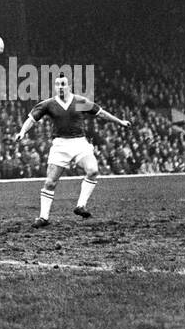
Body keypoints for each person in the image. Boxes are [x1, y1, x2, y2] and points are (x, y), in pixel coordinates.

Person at [15, 75, 131, 226]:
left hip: (79, 143)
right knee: (50, 183)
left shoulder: (79, 102)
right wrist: (22, 132)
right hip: (60, 145)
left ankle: (80, 206)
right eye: (57, 84)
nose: (60, 87)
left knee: (93, 170)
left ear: (69, 85)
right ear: (54, 87)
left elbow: (100, 112)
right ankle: (43, 218)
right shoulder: (48, 104)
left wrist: (120, 122)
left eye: (63, 84)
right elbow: (31, 119)